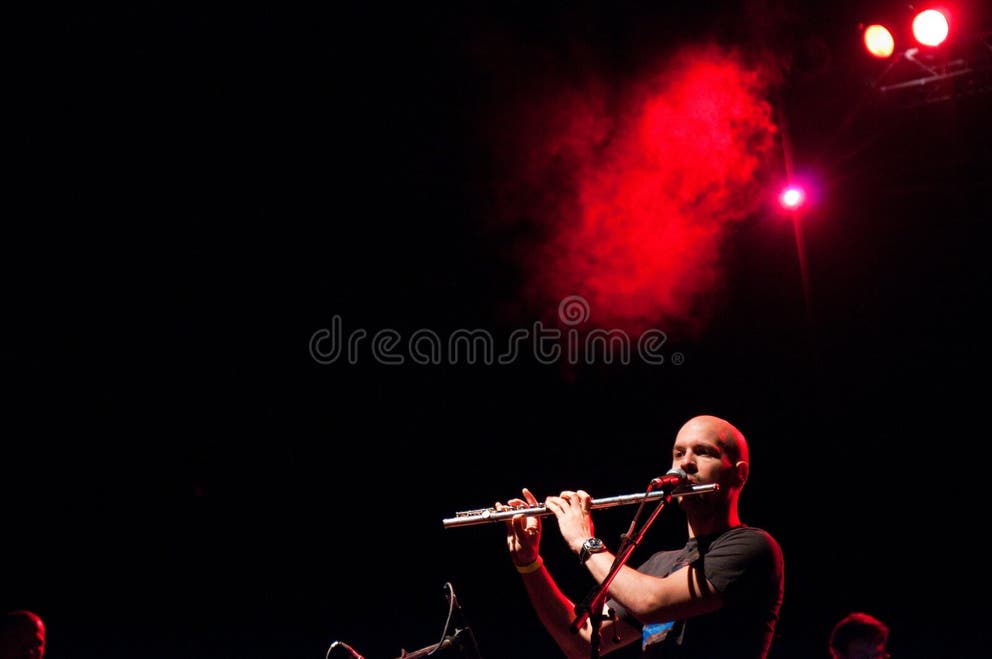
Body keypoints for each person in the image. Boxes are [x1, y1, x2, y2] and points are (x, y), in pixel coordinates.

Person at [497, 414, 784, 658]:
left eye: (704, 452)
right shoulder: (660, 565)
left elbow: (650, 603)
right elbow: (581, 643)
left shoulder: (753, 547)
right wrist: (529, 563)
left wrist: (583, 541)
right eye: (678, 453)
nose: (685, 463)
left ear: (739, 474)